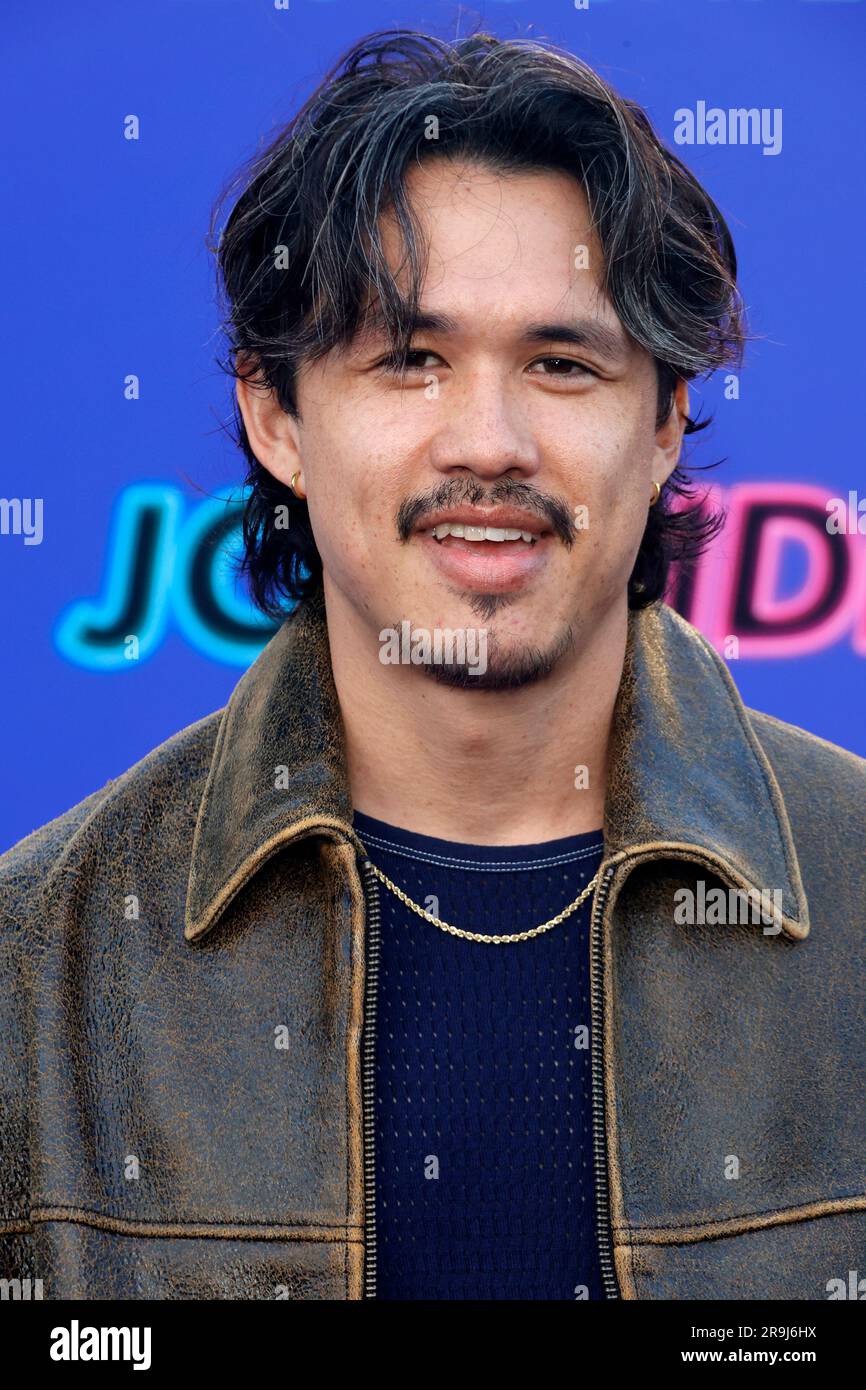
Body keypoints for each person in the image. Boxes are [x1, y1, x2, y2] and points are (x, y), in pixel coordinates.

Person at [1, 29, 864, 1301]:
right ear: (274, 415)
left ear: (667, 419)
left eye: (561, 364)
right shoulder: (37, 965)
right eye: (408, 359)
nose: (489, 441)